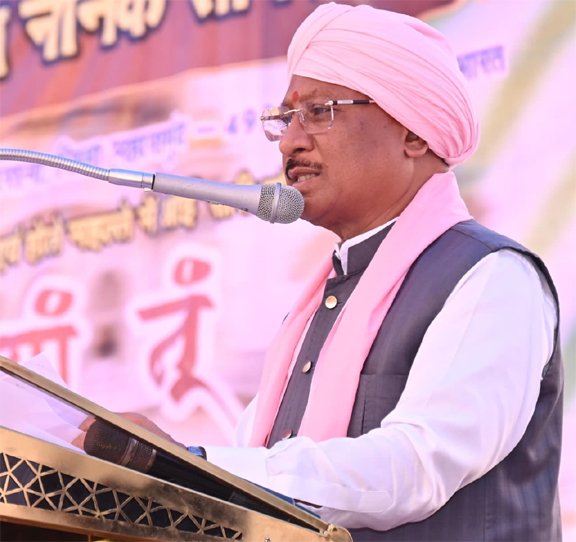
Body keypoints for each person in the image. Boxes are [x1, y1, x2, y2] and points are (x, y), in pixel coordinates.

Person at [80, 3, 564, 540]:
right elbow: (251, 485)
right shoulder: (317, 308)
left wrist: (190, 463)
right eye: (286, 118)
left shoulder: (491, 277)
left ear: (413, 134)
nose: (291, 141)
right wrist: (165, 470)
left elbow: (416, 467)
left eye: (319, 111)